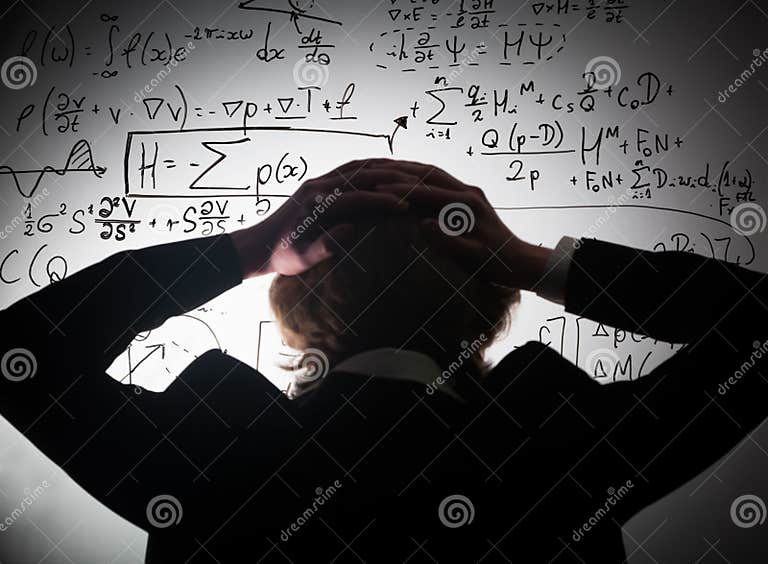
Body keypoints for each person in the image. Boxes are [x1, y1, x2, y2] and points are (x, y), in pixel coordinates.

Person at [1, 158, 766, 563]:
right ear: (489, 302)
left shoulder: (219, 436)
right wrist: (536, 262)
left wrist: (245, 252)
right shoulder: (548, 429)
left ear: (299, 305)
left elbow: (19, 354)